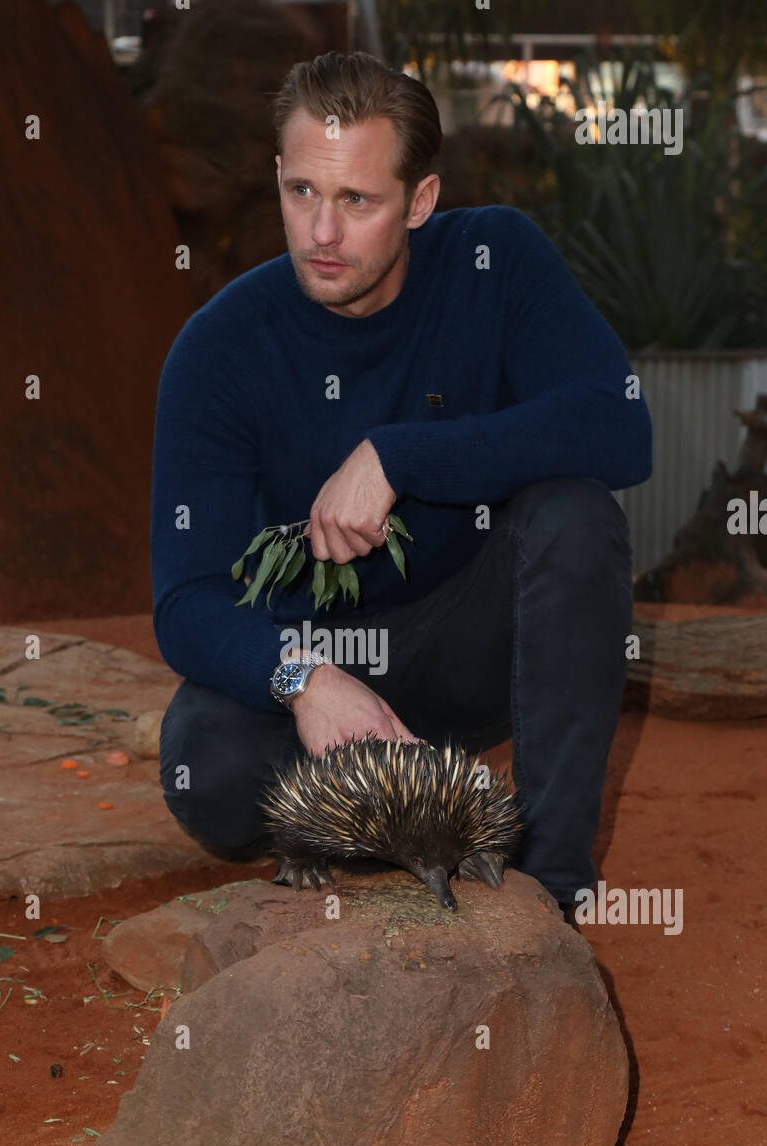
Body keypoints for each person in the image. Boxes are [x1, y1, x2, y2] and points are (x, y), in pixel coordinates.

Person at [151, 50, 652, 918]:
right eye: (302, 191)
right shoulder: (219, 348)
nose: (321, 234)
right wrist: (300, 676)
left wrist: (400, 455)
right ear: (277, 172)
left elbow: (620, 426)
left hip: (473, 648)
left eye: (358, 201)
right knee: (211, 770)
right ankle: (412, 819)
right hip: (320, 664)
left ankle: (551, 888)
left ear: (421, 201)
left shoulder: (495, 262)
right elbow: (186, 598)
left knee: (576, 517)